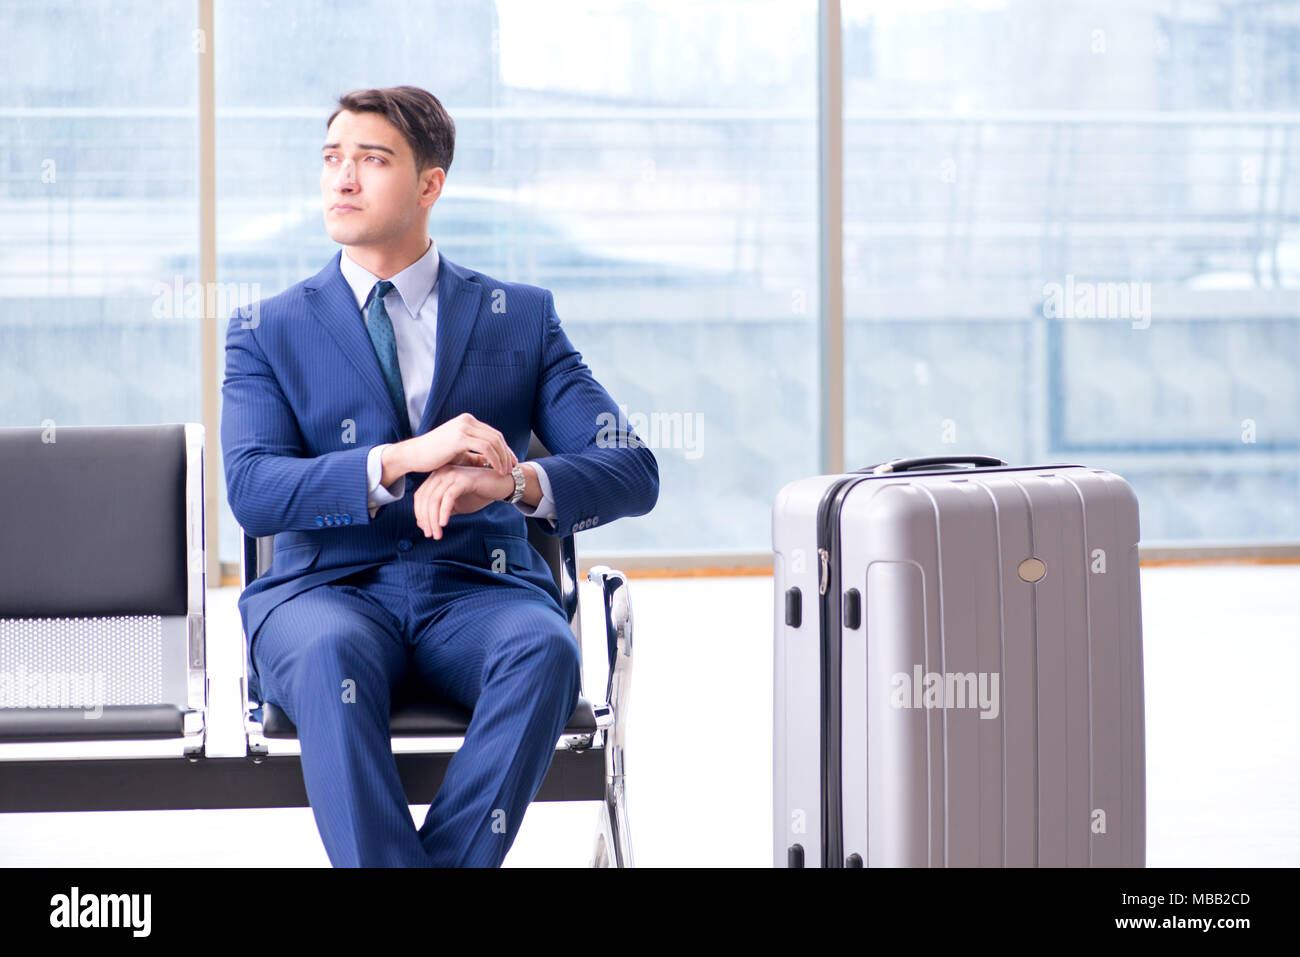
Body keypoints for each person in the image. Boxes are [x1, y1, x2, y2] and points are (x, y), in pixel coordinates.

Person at [220, 85, 659, 867]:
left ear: (430, 184)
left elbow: (631, 467)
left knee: (545, 651)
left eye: (371, 160)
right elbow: (253, 491)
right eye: (331, 159)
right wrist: (397, 459)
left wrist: (517, 481)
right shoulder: (267, 328)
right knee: (329, 656)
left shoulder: (517, 317)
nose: (342, 179)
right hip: (325, 595)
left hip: (477, 591)